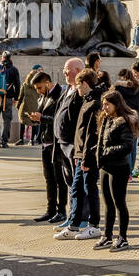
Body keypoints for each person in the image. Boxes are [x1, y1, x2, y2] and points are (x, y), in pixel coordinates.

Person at [57, 68, 105, 241]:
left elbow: (92, 135)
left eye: (78, 85)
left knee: (89, 189)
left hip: (87, 156)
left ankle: (94, 225)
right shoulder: (87, 100)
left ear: (85, 83)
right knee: (77, 189)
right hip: (80, 154)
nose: (77, 88)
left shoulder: (94, 104)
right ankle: (74, 224)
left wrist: (85, 158)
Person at [94, 89, 139, 251]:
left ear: (116, 104)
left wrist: (105, 152)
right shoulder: (107, 119)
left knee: (119, 203)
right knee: (107, 203)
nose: (104, 107)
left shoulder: (123, 121)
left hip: (118, 168)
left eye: (107, 104)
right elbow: (101, 141)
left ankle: (122, 237)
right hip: (105, 167)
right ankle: (107, 236)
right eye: (103, 104)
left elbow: (127, 146)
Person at [52, 58, 85, 234]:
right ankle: (72, 216)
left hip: (73, 145)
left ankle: (81, 219)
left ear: (78, 70)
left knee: (77, 183)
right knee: (69, 182)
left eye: (67, 70)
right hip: (62, 143)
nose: (64, 73)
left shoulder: (81, 92)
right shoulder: (68, 89)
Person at [28, 71, 66, 220]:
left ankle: (61, 210)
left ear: (47, 83)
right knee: (49, 178)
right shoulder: (44, 96)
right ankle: (50, 209)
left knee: (59, 179)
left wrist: (42, 118)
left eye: (39, 87)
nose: (38, 91)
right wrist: (36, 118)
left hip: (55, 142)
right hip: (46, 141)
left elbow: (59, 119)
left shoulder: (59, 95)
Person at [115, 68, 139, 173]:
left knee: (125, 143)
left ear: (122, 77)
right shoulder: (138, 87)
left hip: (124, 116)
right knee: (134, 144)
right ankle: (131, 170)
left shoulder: (118, 87)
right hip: (136, 115)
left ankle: (127, 171)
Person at [17, 64, 42, 146]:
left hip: (25, 107)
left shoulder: (25, 84)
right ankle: (32, 140)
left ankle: (21, 139)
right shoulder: (38, 85)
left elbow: (20, 96)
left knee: (22, 122)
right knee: (34, 123)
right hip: (35, 106)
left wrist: (18, 105)